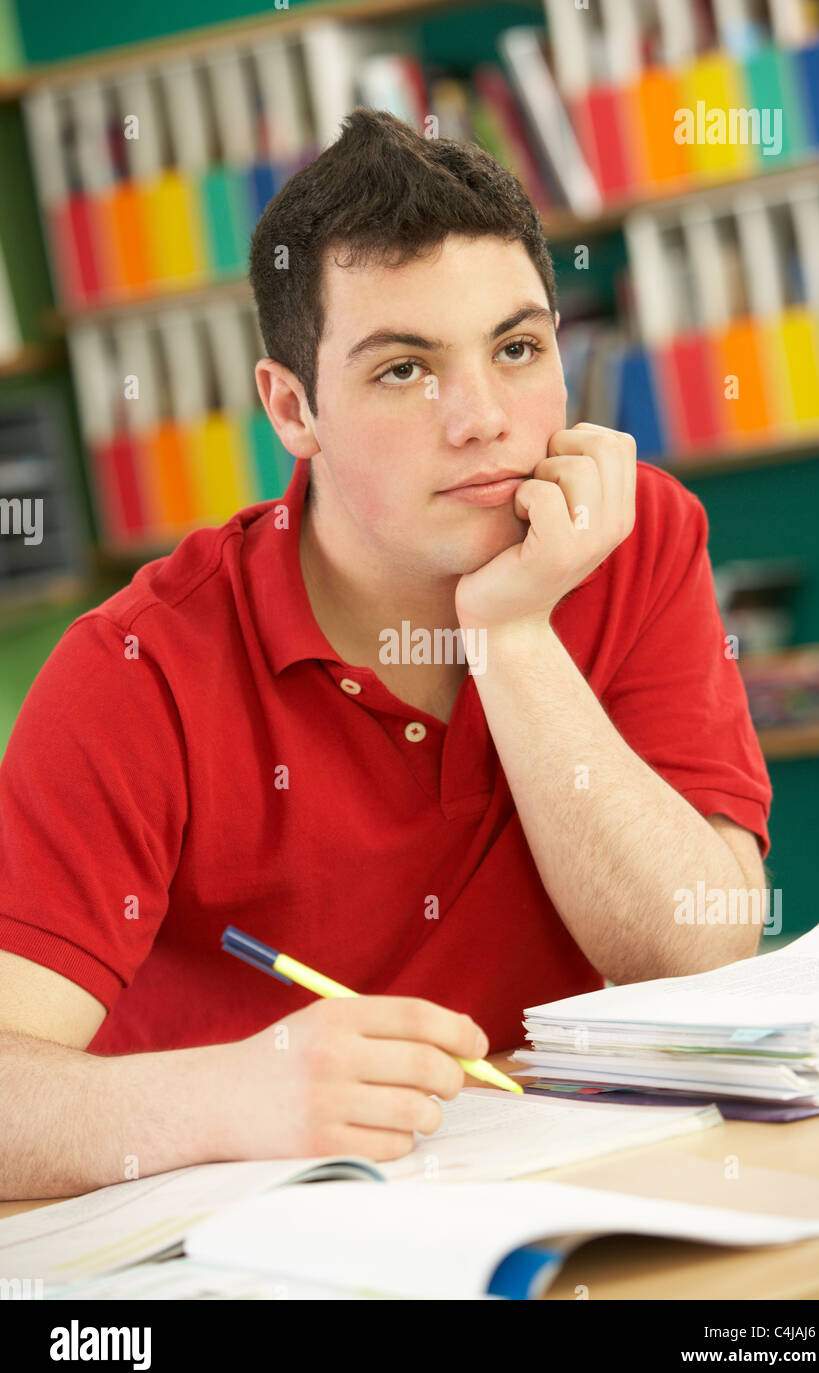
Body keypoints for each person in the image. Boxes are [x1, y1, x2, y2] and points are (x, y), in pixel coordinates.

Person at [0, 109, 771, 1198]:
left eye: (516, 349)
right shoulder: (137, 669)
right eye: (404, 370)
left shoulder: (632, 537)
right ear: (292, 407)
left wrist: (509, 630)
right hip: (232, 1239)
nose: (483, 419)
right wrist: (237, 1095)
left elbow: (697, 951)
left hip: (533, 1194)